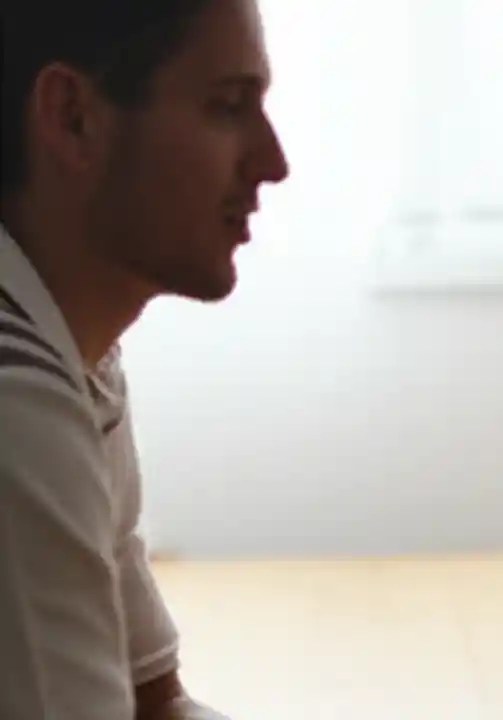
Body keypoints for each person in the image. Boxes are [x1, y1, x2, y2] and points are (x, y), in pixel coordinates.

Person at [0, 0, 289, 717]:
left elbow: (152, 701)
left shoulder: (73, 348)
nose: (273, 163)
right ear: (73, 118)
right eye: (227, 107)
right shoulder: (16, 410)